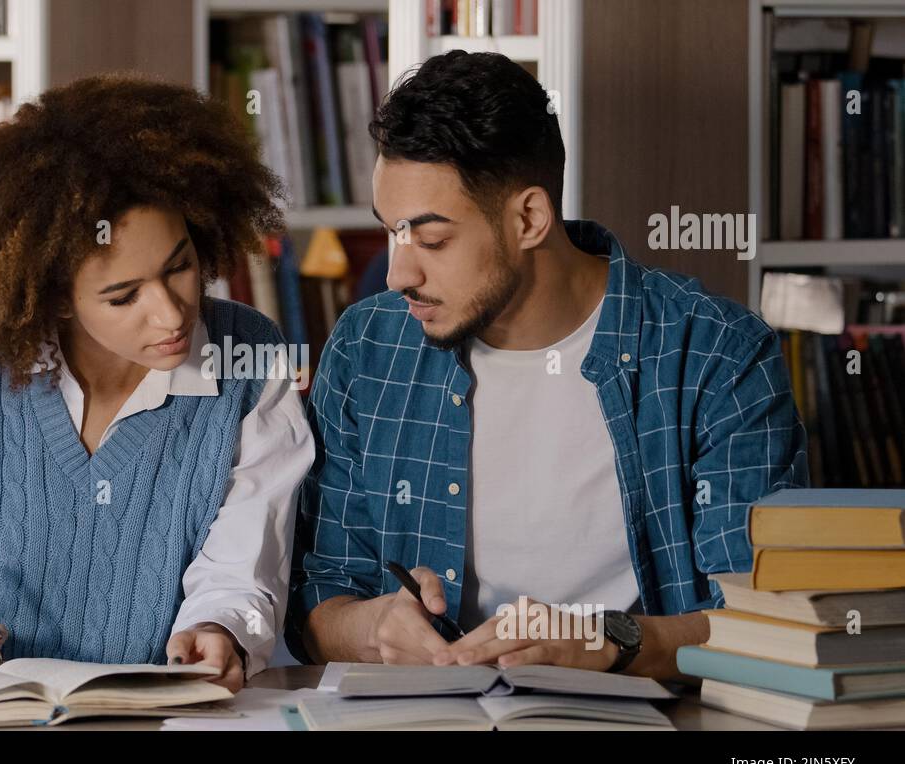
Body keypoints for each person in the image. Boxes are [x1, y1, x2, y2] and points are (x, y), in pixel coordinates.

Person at [288, 51, 808, 679]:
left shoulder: (717, 353)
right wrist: (371, 628)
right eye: (391, 232)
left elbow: (768, 618)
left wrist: (613, 642)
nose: (398, 274)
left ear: (529, 217)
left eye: (431, 239)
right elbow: (316, 595)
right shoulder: (368, 347)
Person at [0, 74, 315, 693]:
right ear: (55, 299)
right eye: (123, 297)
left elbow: (244, 572)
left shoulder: (251, 359)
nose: (172, 314)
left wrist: (220, 630)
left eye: (180, 267)